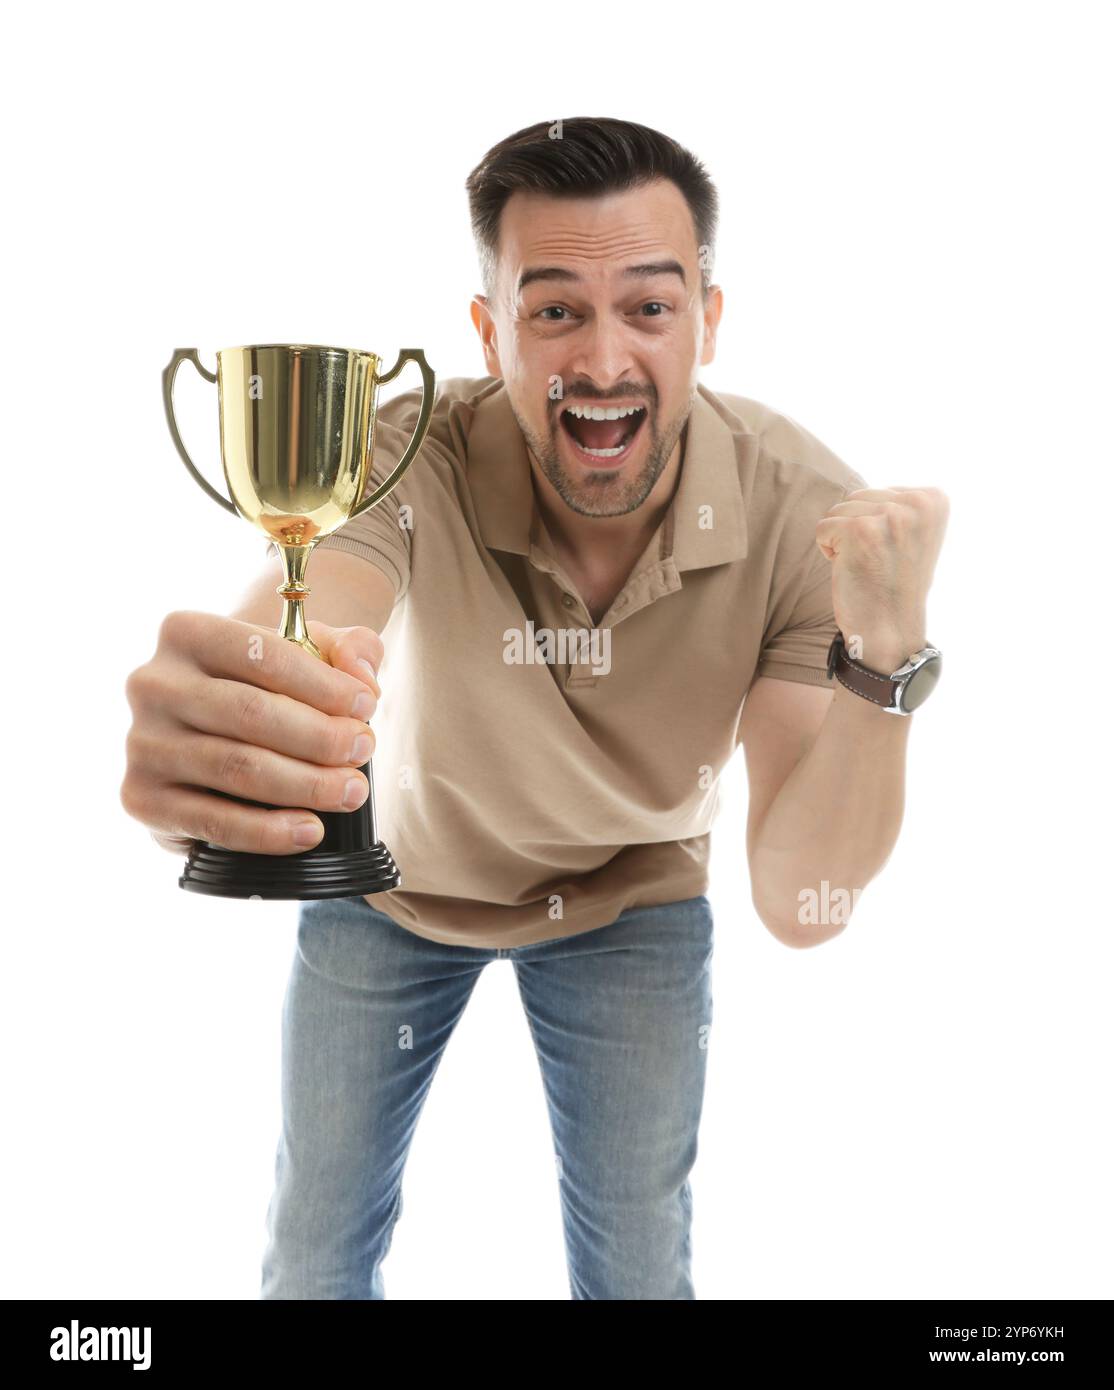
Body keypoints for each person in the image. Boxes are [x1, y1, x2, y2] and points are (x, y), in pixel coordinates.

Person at [121, 116, 949, 1299]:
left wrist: (887, 658)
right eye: (554, 309)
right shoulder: (413, 454)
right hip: (396, 890)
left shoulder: (803, 515)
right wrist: (229, 723)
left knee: (637, 1267)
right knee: (311, 1249)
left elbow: (801, 902)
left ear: (708, 320)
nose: (604, 359)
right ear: (489, 329)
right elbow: (316, 591)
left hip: (630, 890)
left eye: (650, 308)